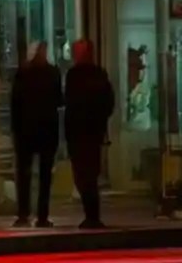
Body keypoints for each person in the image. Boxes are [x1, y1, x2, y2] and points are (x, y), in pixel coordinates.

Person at [10, 40, 63, 228]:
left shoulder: (23, 74)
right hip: (46, 130)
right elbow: (59, 101)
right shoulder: (52, 73)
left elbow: (14, 104)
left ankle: (24, 214)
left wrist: (15, 130)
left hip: (26, 131)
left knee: (24, 174)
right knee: (44, 176)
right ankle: (42, 215)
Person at [65, 39, 115, 229]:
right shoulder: (98, 75)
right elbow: (108, 102)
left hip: (81, 132)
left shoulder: (75, 75)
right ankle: (92, 214)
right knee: (90, 174)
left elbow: (71, 103)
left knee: (84, 174)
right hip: (92, 131)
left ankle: (91, 215)